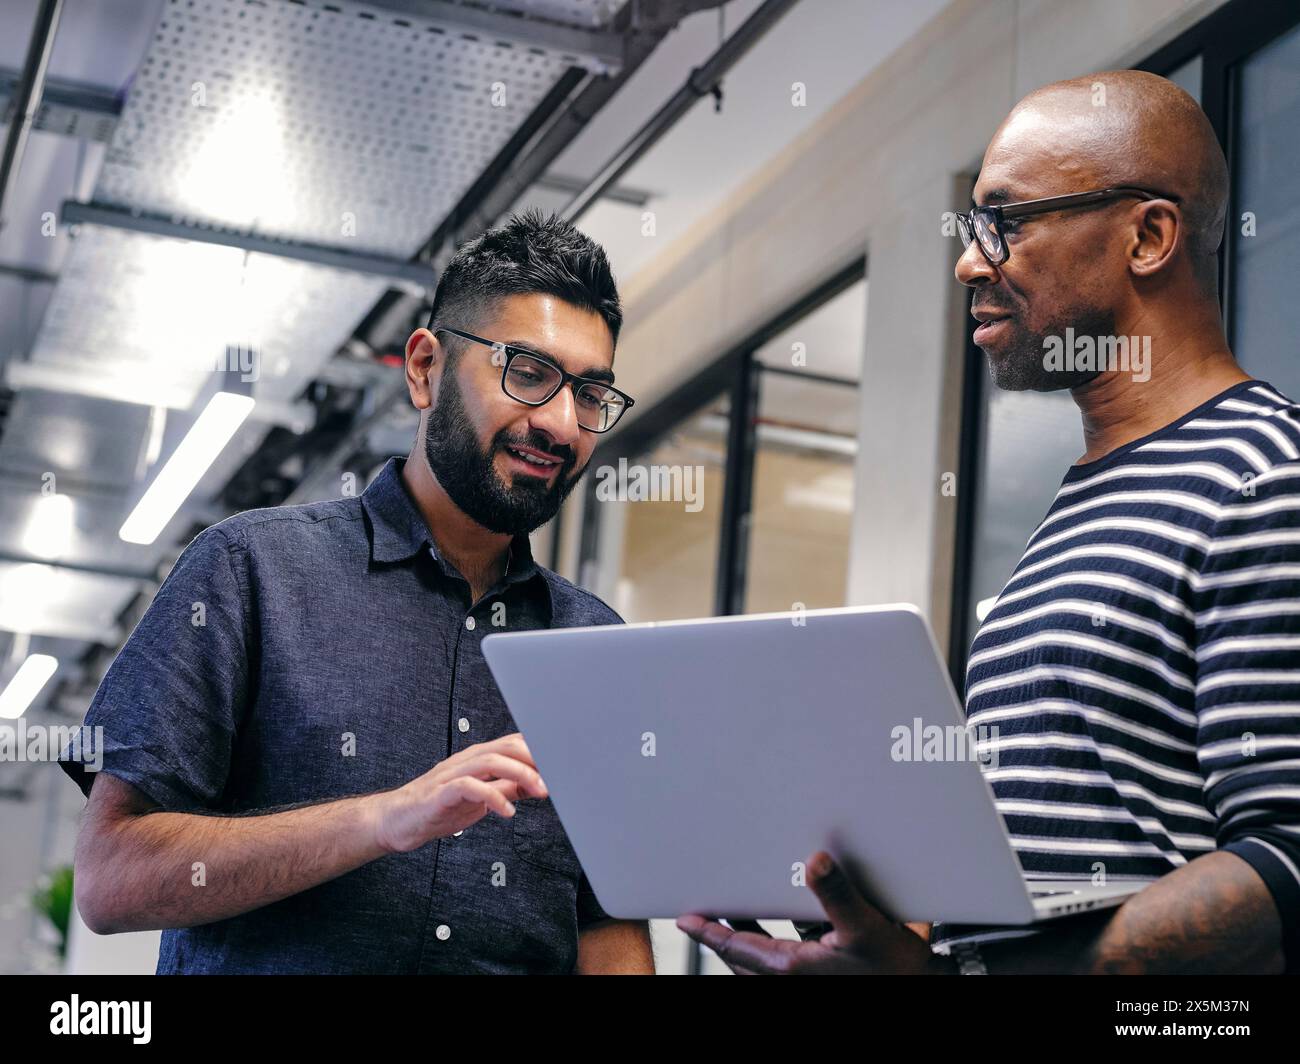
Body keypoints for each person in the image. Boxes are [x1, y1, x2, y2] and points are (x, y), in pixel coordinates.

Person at [679, 70, 1300, 975]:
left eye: (1005, 222)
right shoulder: (1083, 503)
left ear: (1150, 235)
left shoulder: (1265, 474)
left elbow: (1285, 859)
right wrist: (880, 938)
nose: (971, 260)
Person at [59, 209, 654, 974]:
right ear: (424, 368)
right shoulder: (249, 573)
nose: (562, 424)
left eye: (590, 394)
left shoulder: (597, 648)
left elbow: (608, 933)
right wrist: (386, 819)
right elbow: (111, 880)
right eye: (528, 373)